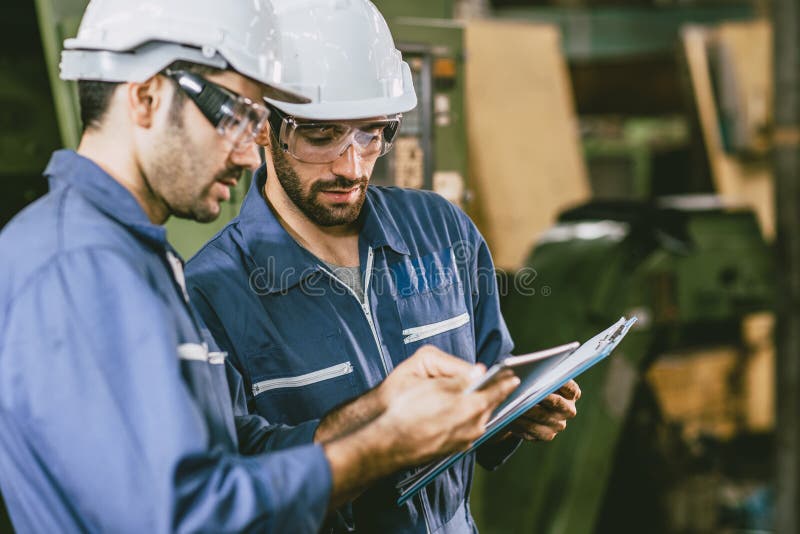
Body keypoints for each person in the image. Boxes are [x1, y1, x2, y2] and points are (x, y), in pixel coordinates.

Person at [0, 1, 521, 532]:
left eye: (371, 133)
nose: (253, 154)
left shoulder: (135, 257)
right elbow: (183, 515)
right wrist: (381, 446)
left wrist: (376, 409)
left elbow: (234, 451)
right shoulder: (80, 269)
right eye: (234, 116)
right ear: (146, 96)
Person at [185, 1, 582, 532]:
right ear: (262, 125)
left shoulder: (442, 231)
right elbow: (237, 477)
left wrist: (515, 411)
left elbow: (491, 373)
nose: (351, 166)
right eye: (320, 136)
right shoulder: (211, 293)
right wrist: (375, 428)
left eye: (371, 133)